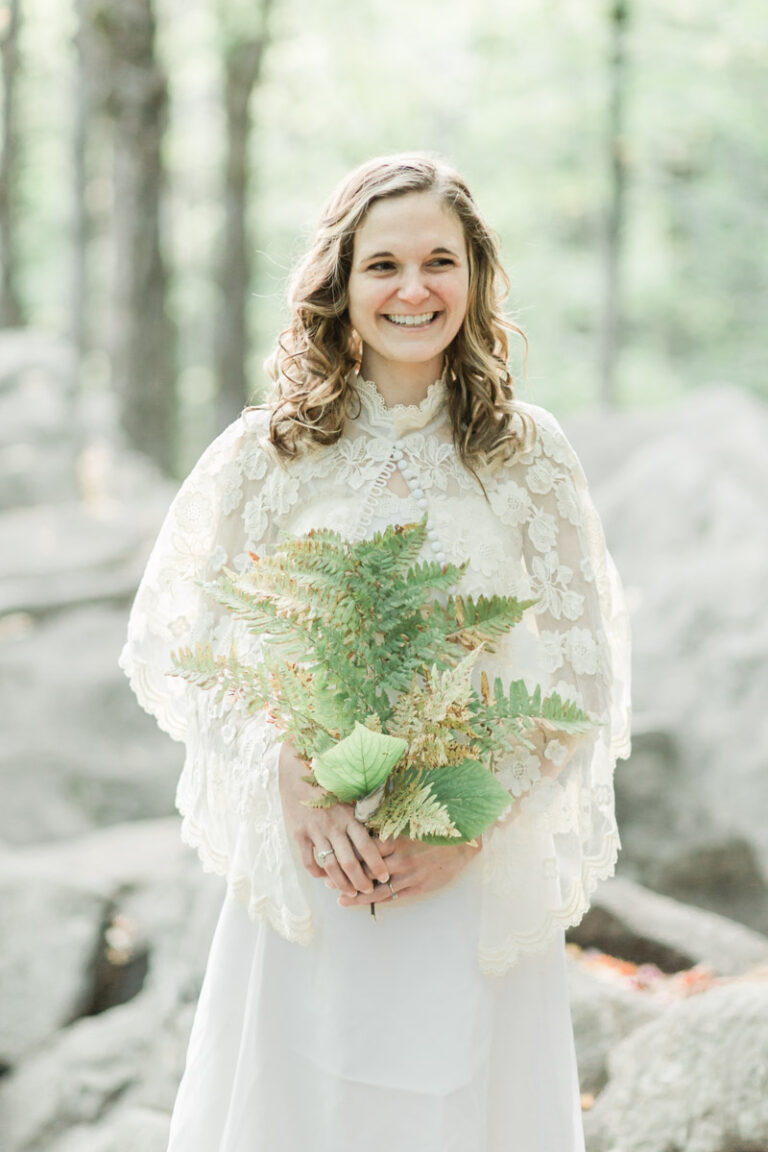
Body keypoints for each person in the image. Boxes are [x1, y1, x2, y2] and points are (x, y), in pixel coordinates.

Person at [120, 152, 631, 1152]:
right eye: (382, 264)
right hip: (317, 872)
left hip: (464, 871)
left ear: (475, 277)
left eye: (439, 261)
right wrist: (288, 778)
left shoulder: (529, 458)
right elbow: (182, 646)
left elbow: (584, 675)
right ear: (340, 283)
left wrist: (468, 822)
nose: (412, 289)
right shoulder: (268, 453)